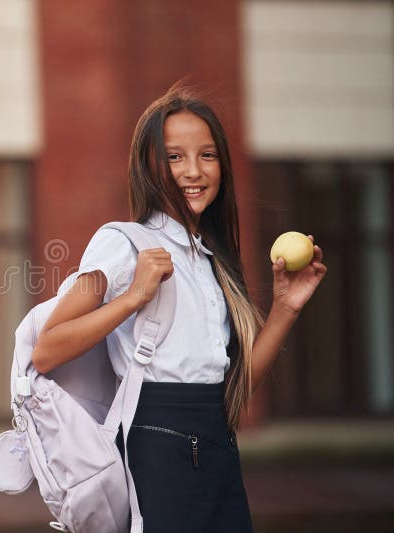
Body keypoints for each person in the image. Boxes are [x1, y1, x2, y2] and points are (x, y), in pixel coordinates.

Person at [31, 83, 328, 532]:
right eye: (174, 156)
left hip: (218, 448)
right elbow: (47, 349)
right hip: (157, 448)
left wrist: (286, 307)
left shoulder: (210, 259)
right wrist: (134, 297)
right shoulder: (122, 243)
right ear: (149, 165)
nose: (194, 170)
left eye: (207, 156)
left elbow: (235, 391)